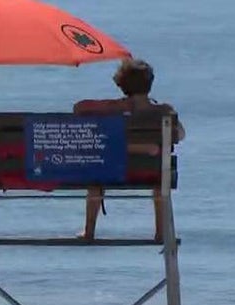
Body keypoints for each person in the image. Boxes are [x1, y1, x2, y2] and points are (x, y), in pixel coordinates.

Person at [72, 58, 186, 243]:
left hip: (112, 171)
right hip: (151, 172)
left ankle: (89, 231)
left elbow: (79, 107)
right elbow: (180, 135)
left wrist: (116, 104)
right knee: (160, 182)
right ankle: (160, 232)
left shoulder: (113, 110)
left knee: (96, 175)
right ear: (149, 84)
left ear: (121, 85)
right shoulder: (164, 111)